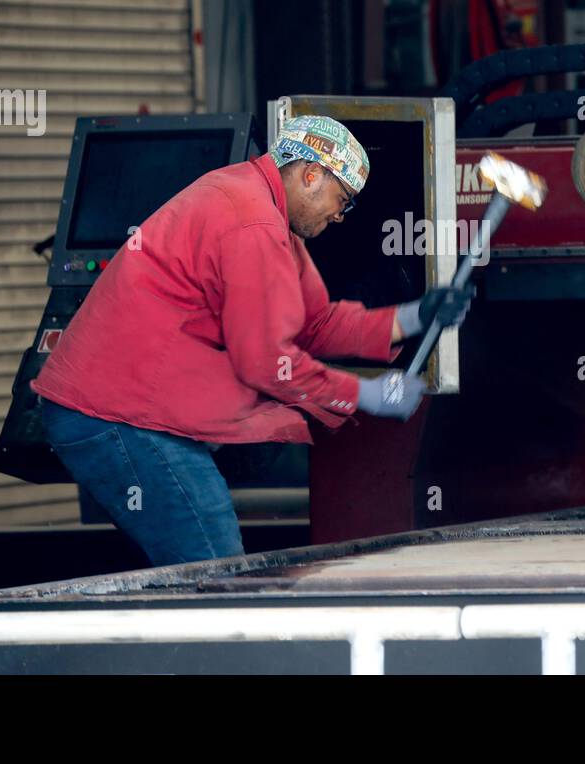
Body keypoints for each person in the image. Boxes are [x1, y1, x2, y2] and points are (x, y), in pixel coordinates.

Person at [31, 115, 470, 566]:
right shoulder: (250, 222)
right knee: (213, 562)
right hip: (112, 415)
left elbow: (313, 323)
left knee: (200, 557)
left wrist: (413, 317)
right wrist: (366, 394)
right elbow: (266, 362)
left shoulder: (261, 208)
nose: (339, 216)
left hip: (132, 407)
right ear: (311, 175)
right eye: (342, 201)